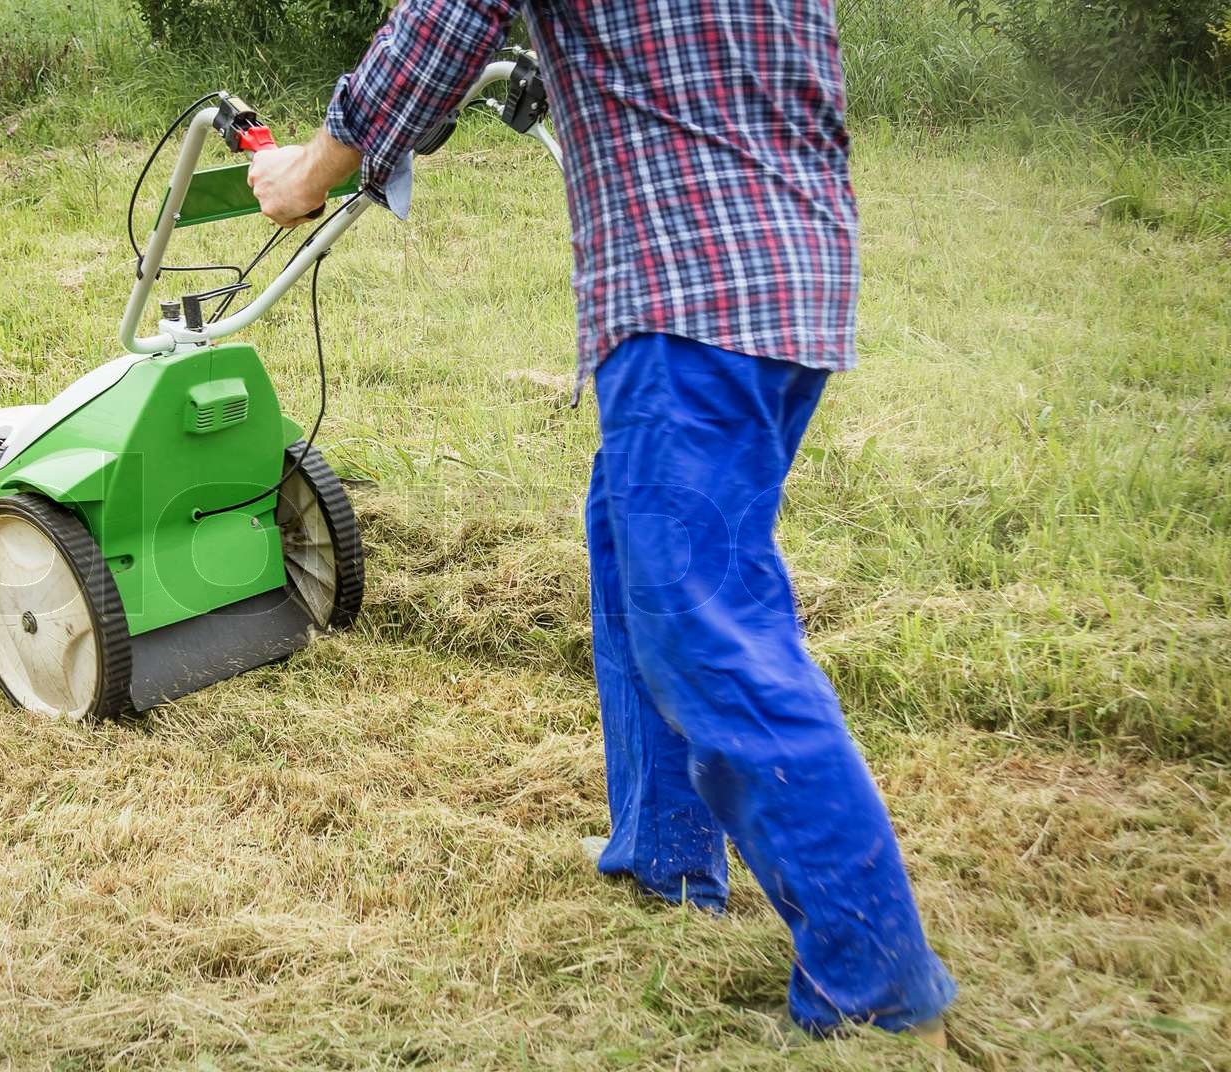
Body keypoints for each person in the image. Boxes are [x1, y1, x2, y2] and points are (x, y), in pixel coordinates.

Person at [247, 0, 957, 1045]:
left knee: (702, 624)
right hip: (796, 270)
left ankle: (876, 979)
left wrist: (310, 172)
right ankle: (666, 855)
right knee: (634, 551)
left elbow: (444, 23)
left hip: (693, 291)